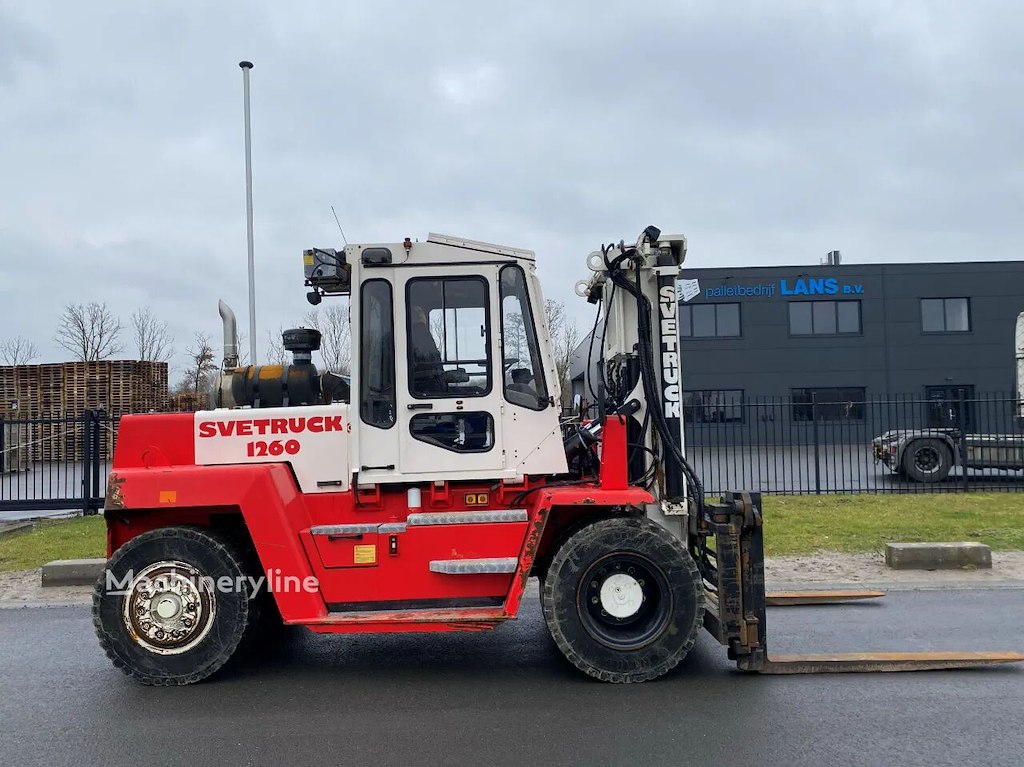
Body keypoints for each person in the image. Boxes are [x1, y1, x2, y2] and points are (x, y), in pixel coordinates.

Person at [409, 305, 446, 396]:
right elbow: (430, 358)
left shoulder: (412, 334)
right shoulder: (420, 332)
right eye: (420, 313)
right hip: (428, 385)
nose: (423, 316)